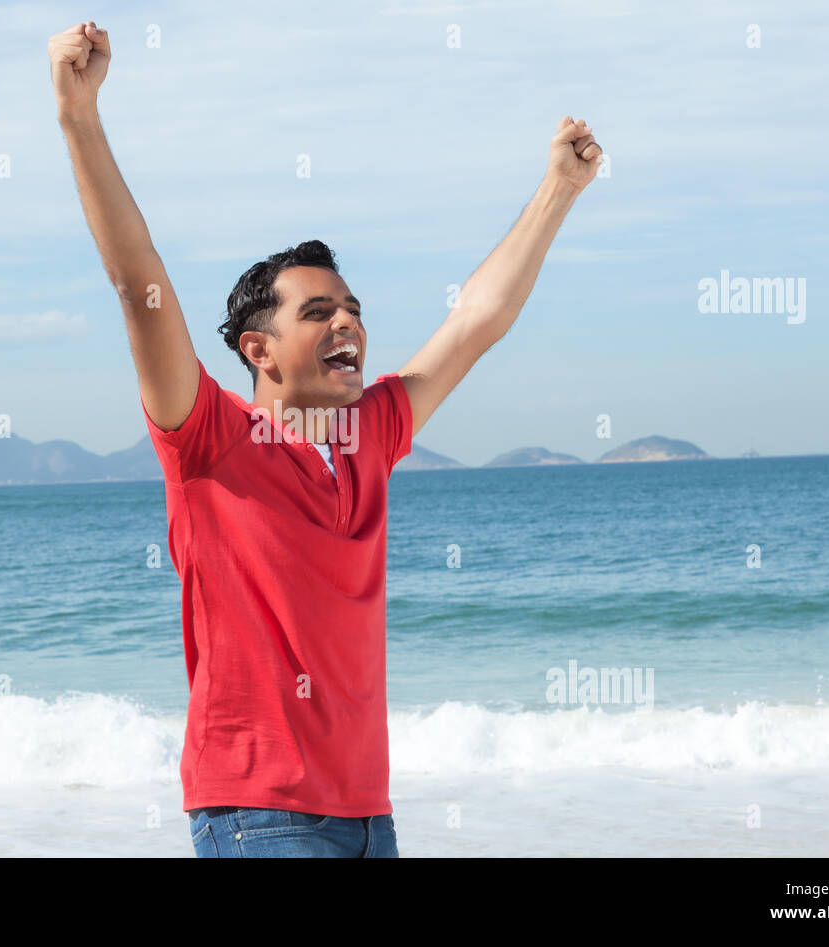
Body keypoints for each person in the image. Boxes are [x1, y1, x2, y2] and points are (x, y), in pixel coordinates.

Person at [48, 20, 602, 857]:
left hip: (371, 819)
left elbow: (477, 320)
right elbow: (139, 286)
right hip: (260, 813)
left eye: (352, 311)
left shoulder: (368, 434)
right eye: (318, 313)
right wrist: (80, 118)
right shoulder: (209, 440)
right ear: (257, 350)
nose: (347, 323)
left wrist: (557, 190)